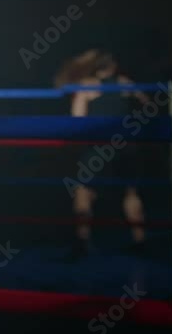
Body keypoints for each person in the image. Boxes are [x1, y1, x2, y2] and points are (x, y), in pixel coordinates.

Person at [55, 49, 147, 258]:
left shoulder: (87, 86)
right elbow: (148, 106)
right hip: (125, 145)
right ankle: (140, 240)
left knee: (83, 191)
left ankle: (82, 240)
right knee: (130, 192)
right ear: (113, 66)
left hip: (99, 148)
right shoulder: (125, 82)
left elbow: (77, 120)